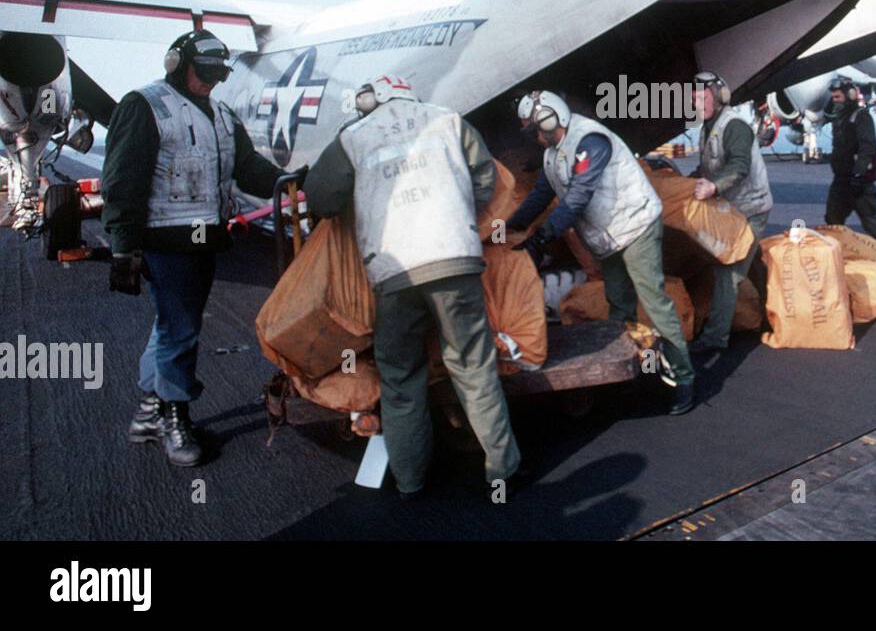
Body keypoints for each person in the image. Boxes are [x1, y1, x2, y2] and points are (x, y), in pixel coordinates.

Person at [303, 74, 523, 500]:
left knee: (401, 378)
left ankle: (410, 482)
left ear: (373, 100)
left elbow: (322, 197)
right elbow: (485, 179)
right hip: (455, 259)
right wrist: (458, 211)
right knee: (474, 369)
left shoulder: (355, 136)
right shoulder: (448, 120)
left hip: (394, 272)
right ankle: (501, 472)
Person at [102, 29, 288, 466]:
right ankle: (174, 417)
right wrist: (123, 249)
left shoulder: (222, 115)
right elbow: (122, 182)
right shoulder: (144, 105)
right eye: (204, 73)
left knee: (171, 324)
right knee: (180, 330)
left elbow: (248, 168)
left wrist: (295, 180)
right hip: (165, 241)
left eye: (218, 75)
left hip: (205, 239)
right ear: (177, 64)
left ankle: (149, 413)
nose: (211, 82)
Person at [506, 90, 695, 415]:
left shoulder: (591, 141)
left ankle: (683, 380)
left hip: (635, 227)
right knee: (619, 306)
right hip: (607, 238)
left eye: (536, 129)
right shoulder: (553, 153)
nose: (535, 137)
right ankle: (633, 377)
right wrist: (512, 227)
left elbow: (578, 197)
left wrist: (545, 235)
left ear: (552, 120)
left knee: (654, 302)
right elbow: (541, 192)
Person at [687, 71, 772, 354]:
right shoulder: (707, 128)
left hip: (750, 209)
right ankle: (772, 315)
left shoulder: (734, 126)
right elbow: (709, 166)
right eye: (694, 95)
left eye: (702, 94)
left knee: (728, 274)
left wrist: (713, 186)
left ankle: (715, 339)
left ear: (719, 96)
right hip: (734, 210)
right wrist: (687, 181)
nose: (696, 100)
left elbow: (738, 166)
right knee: (754, 264)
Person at [824, 76, 876, 251]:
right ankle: (835, 258)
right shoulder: (840, 118)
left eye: (837, 97)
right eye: (833, 98)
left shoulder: (861, 117)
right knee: (832, 220)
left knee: (870, 221)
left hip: (859, 183)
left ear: (849, 95)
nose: (835, 101)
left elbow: (867, 148)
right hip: (841, 181)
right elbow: (826, 114)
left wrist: (859, 174)